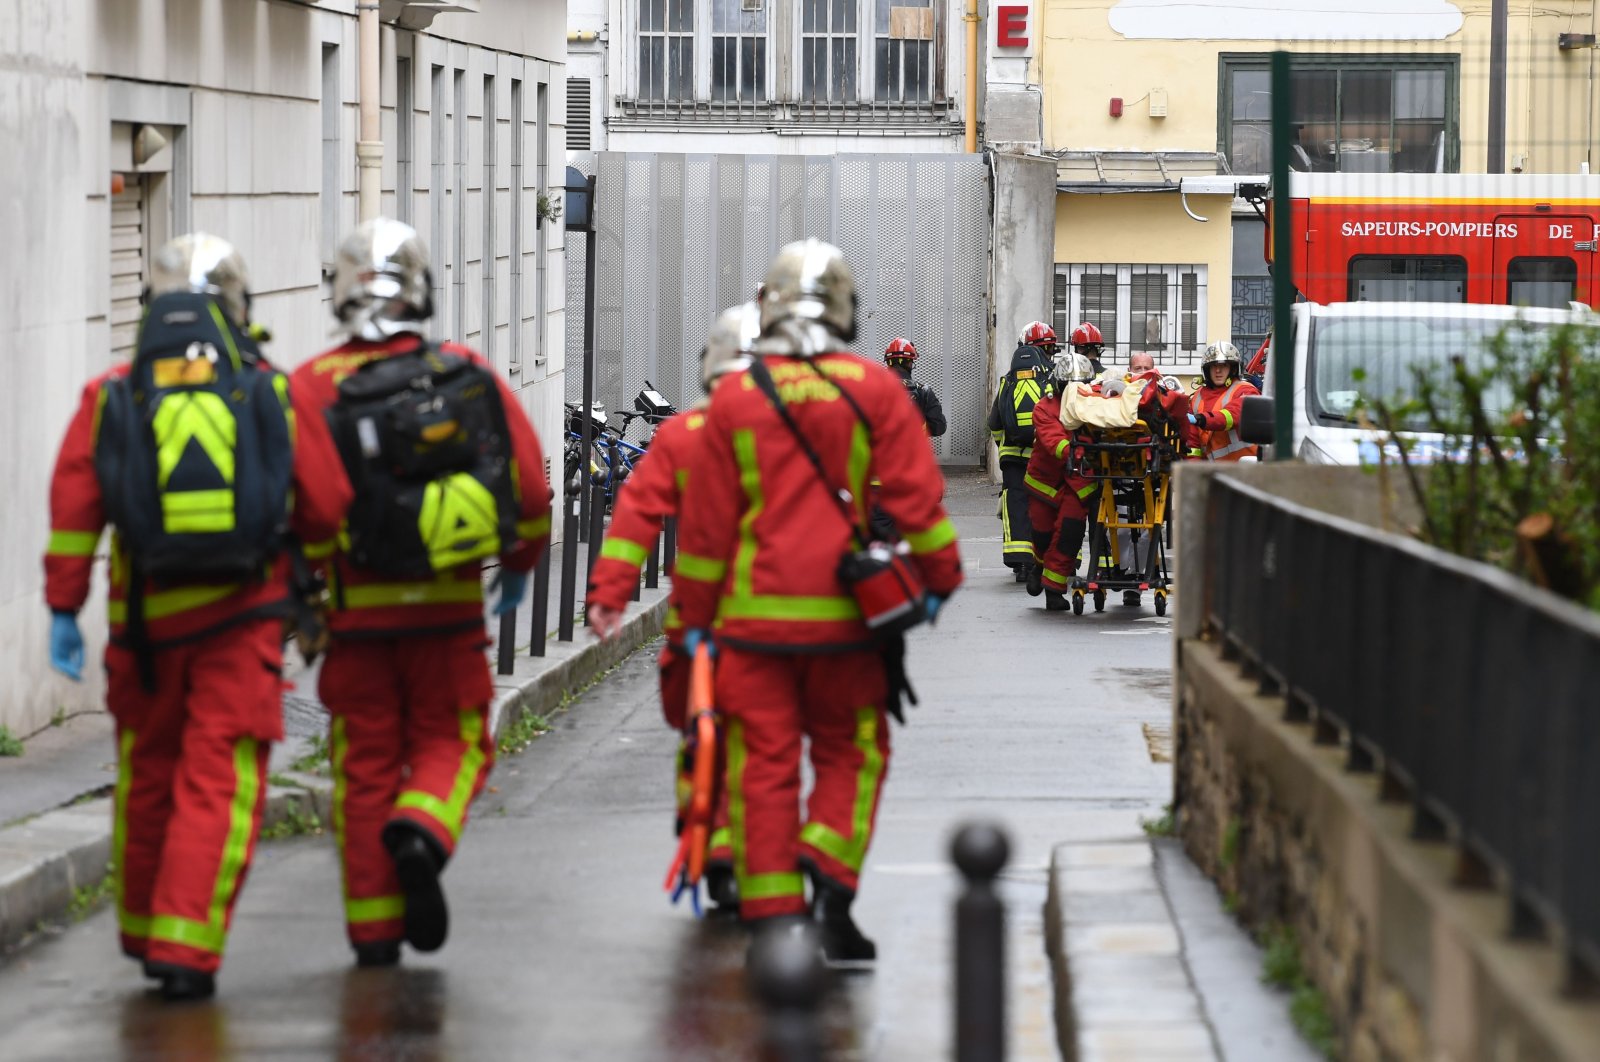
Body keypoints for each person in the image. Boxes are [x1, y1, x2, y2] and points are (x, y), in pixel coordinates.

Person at [44, 233, 350, 1000]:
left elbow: (76, 508)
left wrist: (61, 605)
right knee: (218, 779)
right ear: (239, 308)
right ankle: (186, 944)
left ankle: (146, 931)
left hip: (141, 630)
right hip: (240, 627)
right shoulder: (270, 391)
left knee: (146, 774)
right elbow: (326, 506)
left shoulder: (112, 393)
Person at [674, 239, 963, 965]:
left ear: (768, 309)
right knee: (853, 753)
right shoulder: (873, 391)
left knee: (762, 768)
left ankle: (773, 920)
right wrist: (938, 583)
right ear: (846, 311)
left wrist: (694, 627)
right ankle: (829, 879)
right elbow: (918, 504)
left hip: (751, 628)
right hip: (849, 628)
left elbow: (705, 533)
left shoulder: (733, 400)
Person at [290, 218, 552, 967]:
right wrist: (524, 562)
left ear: (338, 294)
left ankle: (375, 936)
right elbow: (529, 485)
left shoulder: (309, 388)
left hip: (358, 620)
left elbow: (302, 509)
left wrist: (305, 595)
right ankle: (425, 831)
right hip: (448, 613)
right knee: (456, 737)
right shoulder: (464, 370)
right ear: (420, 290)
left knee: (366, 761)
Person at [585, 302, 760, 912]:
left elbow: (636, 511)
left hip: (701, 619)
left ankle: (708, 835)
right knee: (773, 740)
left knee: (694, 730)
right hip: (778, 616)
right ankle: (753, 848)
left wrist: (609, 593)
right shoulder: (797, 432)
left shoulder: (685, 433)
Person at [1028, 352, 1099, 611]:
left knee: (1068, 535)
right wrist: (1079, 452)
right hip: (1044, 484)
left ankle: (1054, 590)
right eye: (1070, 385)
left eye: (1081, 384)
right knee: (1043, 535)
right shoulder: (1044, 408)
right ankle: (1038, 565)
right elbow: (1054, 442)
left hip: (1079, 484)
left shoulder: (1097, 408)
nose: (1075, 390)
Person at [988, 323, 1055, 580]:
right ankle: (1052, 560)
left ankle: (1021, 563)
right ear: (1050, 348)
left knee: (1016, 504)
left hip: (1013, 458)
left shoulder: (1009, 380)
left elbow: (995, 423)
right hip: (1045, 454)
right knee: (1048, 504)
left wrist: (1003, 447)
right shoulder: (1054, 378)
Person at [1188, 340, 1261, 462]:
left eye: (1223, 365)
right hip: (1215, 473)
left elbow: (1233, 415)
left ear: (1232, 369)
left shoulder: (1245, 390)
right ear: (1207, 369)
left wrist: (1201, 419)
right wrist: (1193, 468)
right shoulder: (1197, 398)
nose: (1218, 371)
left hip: (1248, 468)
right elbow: (1192, 443)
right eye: (1214, 366)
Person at [883, 338, 947, 437]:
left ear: (888, 363)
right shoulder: (924, 391)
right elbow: (939, 427)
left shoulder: (875, 389)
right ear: (909, 363)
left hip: (882, 451)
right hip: (914, 450)